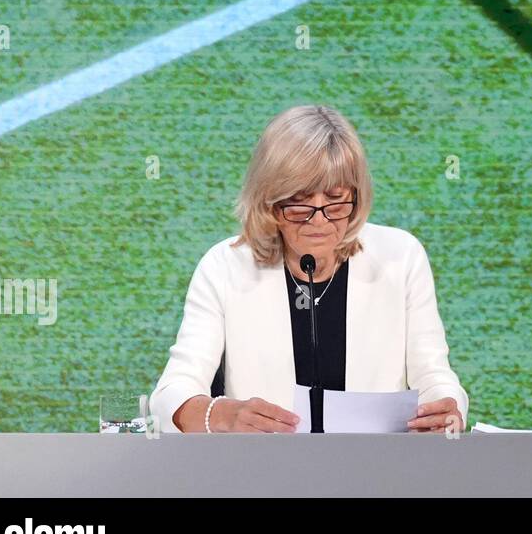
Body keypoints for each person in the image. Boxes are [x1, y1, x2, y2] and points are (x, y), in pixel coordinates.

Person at [149, 105, 468, 433]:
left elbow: (433, 375)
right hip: (263, 473)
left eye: (335, 200)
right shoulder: (224, 266)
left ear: (356, 197)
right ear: (269, 203)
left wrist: (446, 409)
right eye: (300, 202)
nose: (319, 220)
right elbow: (171, 395)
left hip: (377, 473)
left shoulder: (401, 257)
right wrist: (221, 415)